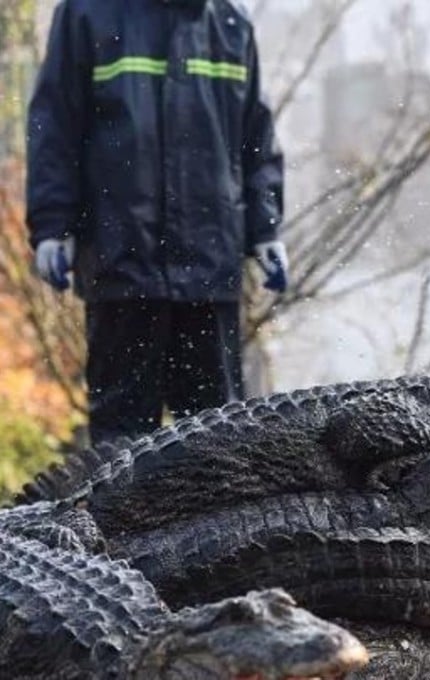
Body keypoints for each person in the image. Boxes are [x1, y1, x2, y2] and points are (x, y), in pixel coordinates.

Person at [26, 0, 286, 445]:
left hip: (210, 270)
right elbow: (55, 124)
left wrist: (265, 231)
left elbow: (256, 137)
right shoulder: (90, 12)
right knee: (120, 446)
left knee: (217, 439)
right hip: (122, 263)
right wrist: (53, 226)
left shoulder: (230, 21)